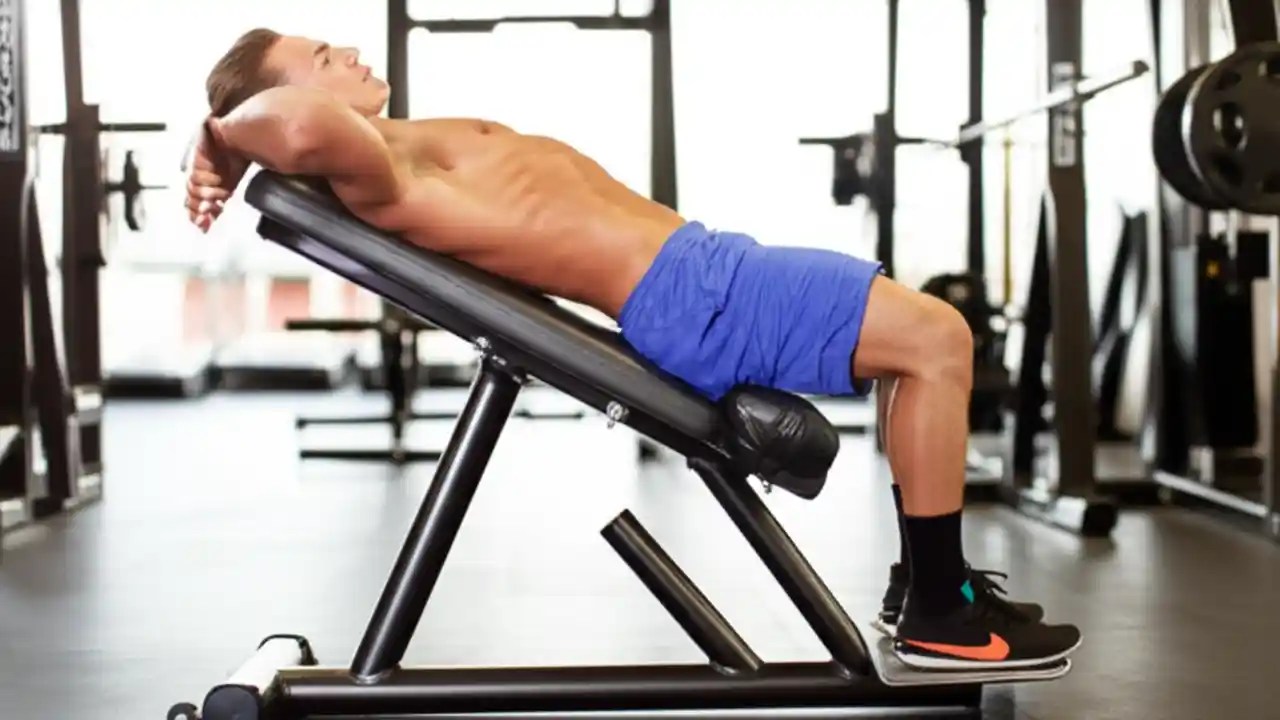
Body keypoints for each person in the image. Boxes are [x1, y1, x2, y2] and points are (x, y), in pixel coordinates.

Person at [185, 28, 1081, 672]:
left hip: (700, 271)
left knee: (918, 344)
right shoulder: (370, 165)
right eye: (316, 58)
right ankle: (938, 611)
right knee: (938, 337)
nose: (342, 48)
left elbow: (297, 115)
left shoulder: (391, 147)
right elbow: (293, 127)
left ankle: (934, 585)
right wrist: (219, 133)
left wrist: (243, 119)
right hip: (693, 293)